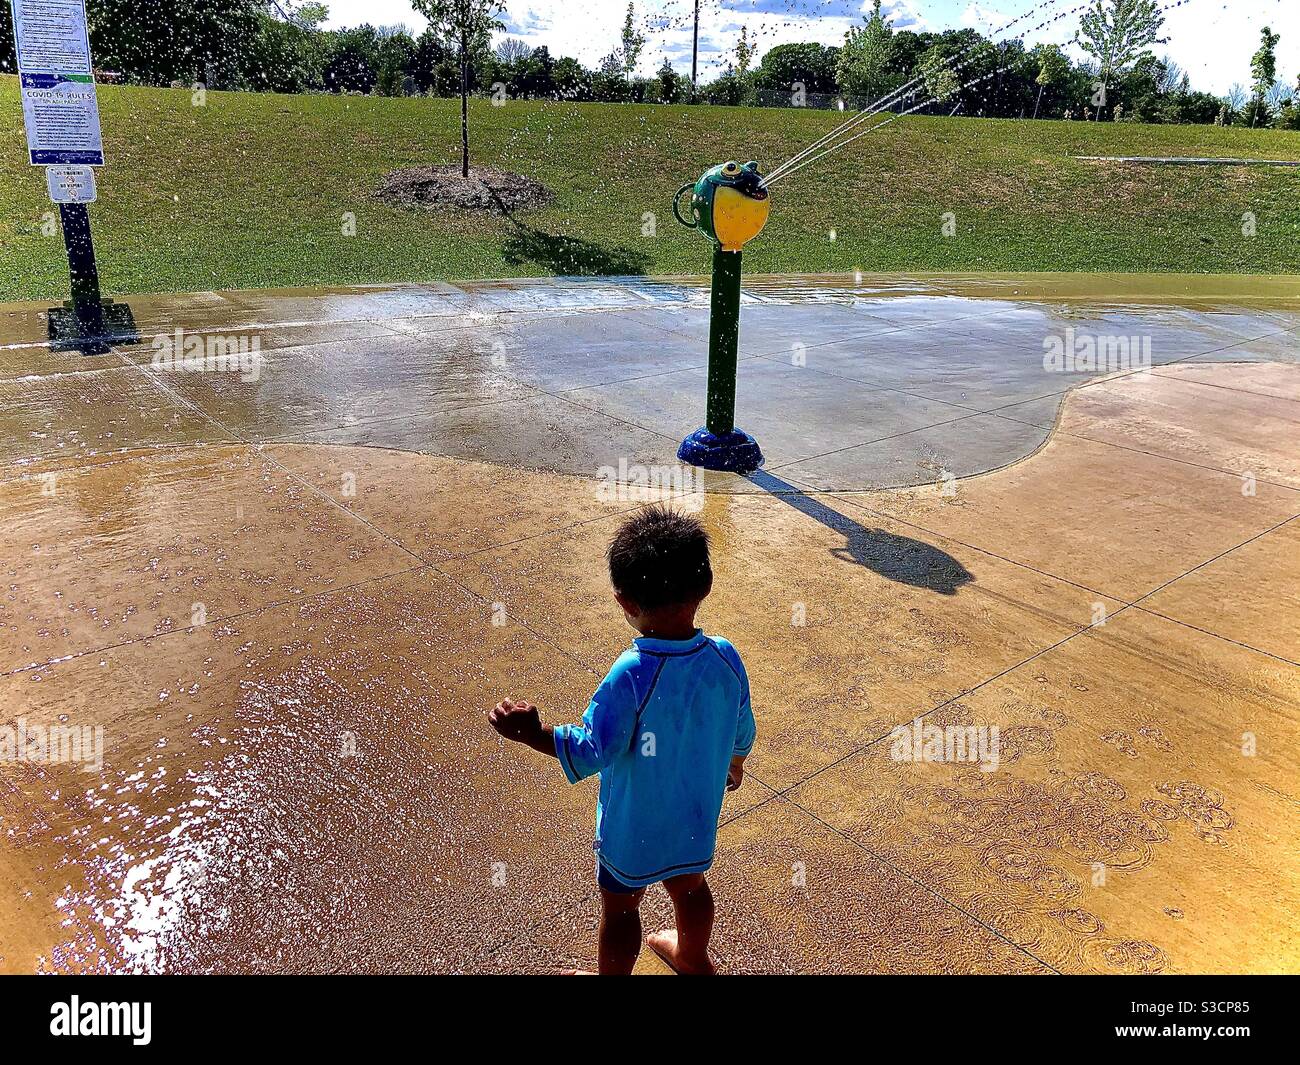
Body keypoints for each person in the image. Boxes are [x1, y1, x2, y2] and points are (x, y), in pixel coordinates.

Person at [489, 505, 756, 975]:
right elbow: (741, 724)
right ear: (706, 585)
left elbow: (593, 748)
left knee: (621, 908)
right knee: (692, 887)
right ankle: (692, 958)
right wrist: (733, 762)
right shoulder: (726, 657)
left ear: (624, 601)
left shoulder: (631, 674)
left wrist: (534, 735)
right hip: (695, 814)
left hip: (635, 825)